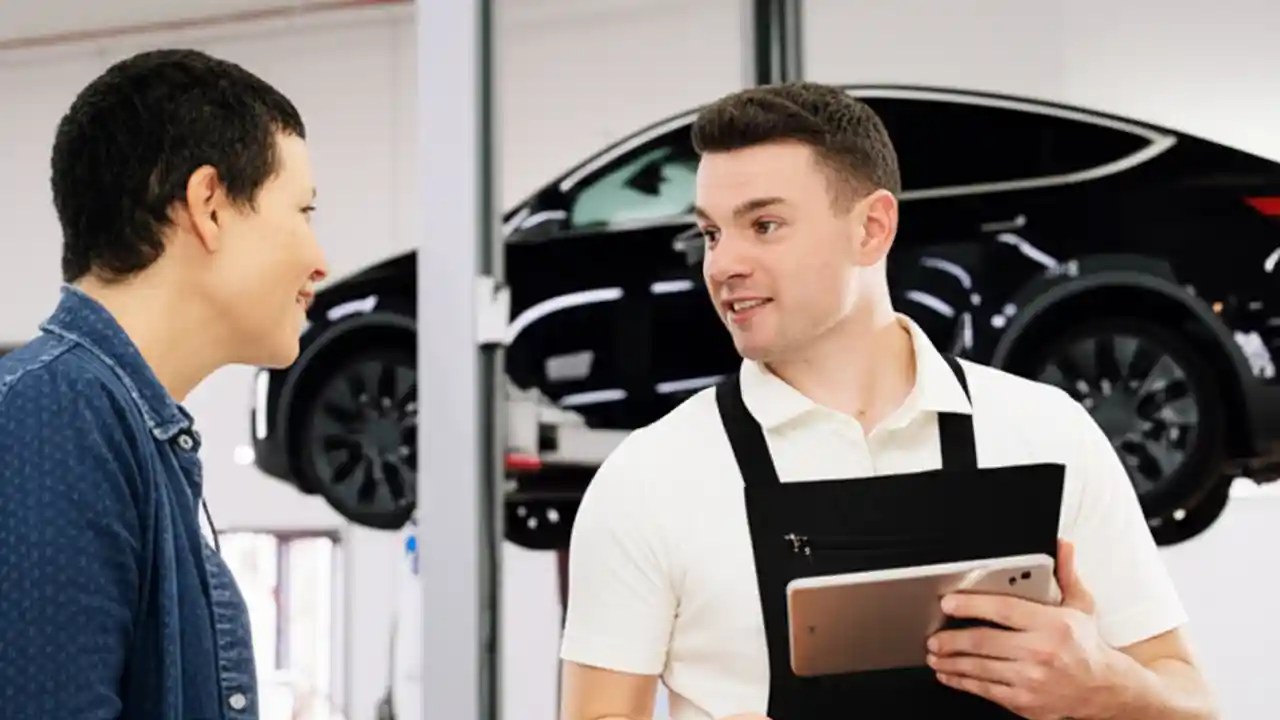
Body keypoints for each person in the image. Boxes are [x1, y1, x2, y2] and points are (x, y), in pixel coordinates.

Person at [558, 82, 1217, 720]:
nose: (724, 263)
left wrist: (1101, 685)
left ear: (872, 227)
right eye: (711, 234)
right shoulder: (647, 481)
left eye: (764, 225)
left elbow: (1193, 707)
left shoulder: (1048, 433)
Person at [0, 49, 328, 720]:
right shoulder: (56, 417)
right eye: (303, 212)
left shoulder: (119, 428)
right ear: (208, 204)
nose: (320, 262)